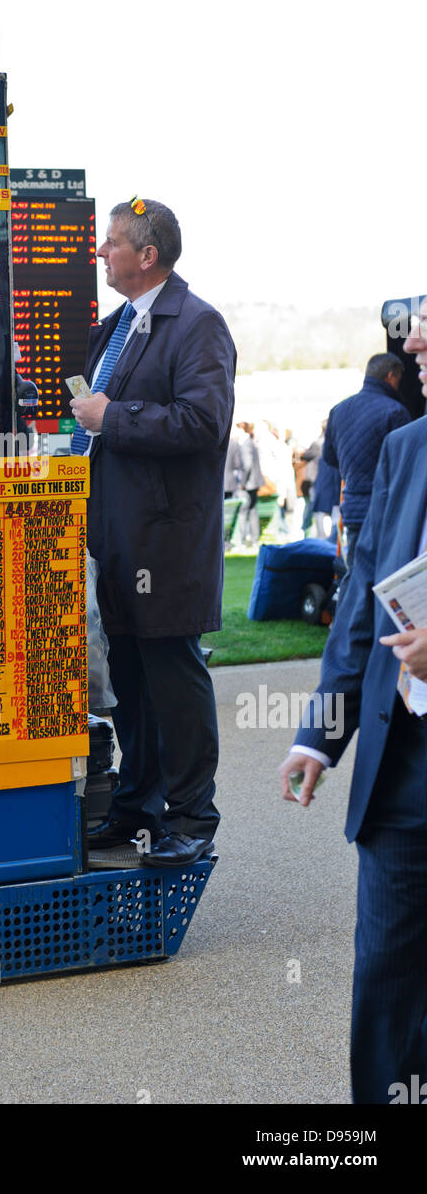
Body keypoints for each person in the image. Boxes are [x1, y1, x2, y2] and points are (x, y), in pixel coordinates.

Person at [279, 301, 427, 1104]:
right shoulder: (407, 449)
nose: (412, 341)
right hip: (402, 771)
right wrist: (318, 735)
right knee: (388, 990)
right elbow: (364, 613)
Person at [70, 197, 236, 867]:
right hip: (115, 538)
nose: (100, 254)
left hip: (166, 543)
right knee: (131, 682)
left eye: (111, 244)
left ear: (147, 255)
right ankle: (135, 806)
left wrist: (113, 416)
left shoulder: (197, 325)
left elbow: (203, 423)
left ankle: (192, 818)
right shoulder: (115, 327)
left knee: (173, 676)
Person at [323, 353, 410, 578]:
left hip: (352, 507)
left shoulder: (338, 410)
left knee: (357, 579)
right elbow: (407, 465)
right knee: (389, 579)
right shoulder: (395, 411)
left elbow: (330, 458)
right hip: (387, 509)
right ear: (391, 376)